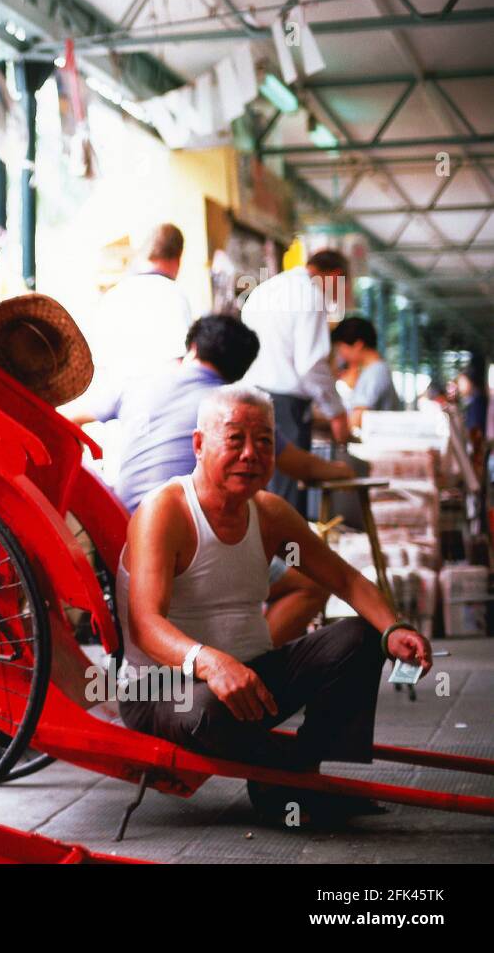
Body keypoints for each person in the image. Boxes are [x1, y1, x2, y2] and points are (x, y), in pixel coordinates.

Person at [116, 385, 432, 824]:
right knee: (206, 709)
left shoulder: (270, 514)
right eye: (235, 439)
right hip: (165, 694)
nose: (251, 453)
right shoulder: (165, 512)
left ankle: (303, 769)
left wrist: (395, 628)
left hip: (252, 681)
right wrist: (210, 663)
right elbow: (144, 625)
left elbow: (344, 578)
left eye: (264, 441)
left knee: (360, 637)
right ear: (198, 444)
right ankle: (286, 781)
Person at [63, 315, 353, 645]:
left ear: (193, 347)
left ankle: (237, 659)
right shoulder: (231, 409)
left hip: (116, 537)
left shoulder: (139, 383)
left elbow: (69, 421)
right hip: (181, 545)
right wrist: (346, 469)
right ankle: (251, 661)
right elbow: (305, 467)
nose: (248, 452)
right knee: (310, 583)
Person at [240, 250, 351, 516]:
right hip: (285, 407)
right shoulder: (310, 295)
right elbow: (311, 365)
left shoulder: (266, 289)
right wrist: (336, 413)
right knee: (286, 497)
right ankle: (290, 557)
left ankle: (267, 556)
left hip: (251, 398)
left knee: (261, 490)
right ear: (336, 276)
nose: (338, 297)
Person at [91, 223, 194, 378]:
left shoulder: (112, 296)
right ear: (178, 258)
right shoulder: (174, 295)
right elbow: (178, 364)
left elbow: (100, 365)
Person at [330, 316, 400, 431]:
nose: (341, 355)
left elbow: (356, 421)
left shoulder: (376, 372)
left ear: (358, 345)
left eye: (341, 348)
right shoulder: (372, 370)